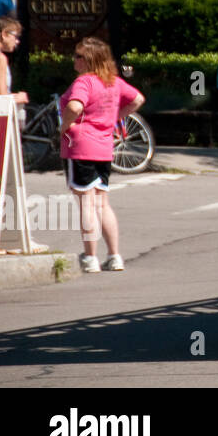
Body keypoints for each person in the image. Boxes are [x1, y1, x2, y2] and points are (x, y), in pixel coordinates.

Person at [60, 37, 144, 273]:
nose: (74, 60)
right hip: (104, 148)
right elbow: (138, 99)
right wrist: (114, 117)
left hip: (80, 146)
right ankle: (114, 256)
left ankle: (90, 257)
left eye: (78, 56)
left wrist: (65, 126)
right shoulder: (113, 82)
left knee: (86, 203)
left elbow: (75, 106)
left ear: (89, 60)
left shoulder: (84, 81)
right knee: (102, 203)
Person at [0, 16, 30, 108]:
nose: (17, 41)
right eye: (15, 36)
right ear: (4, 34)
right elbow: (2, 98)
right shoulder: (1, 59)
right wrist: (18, 98)